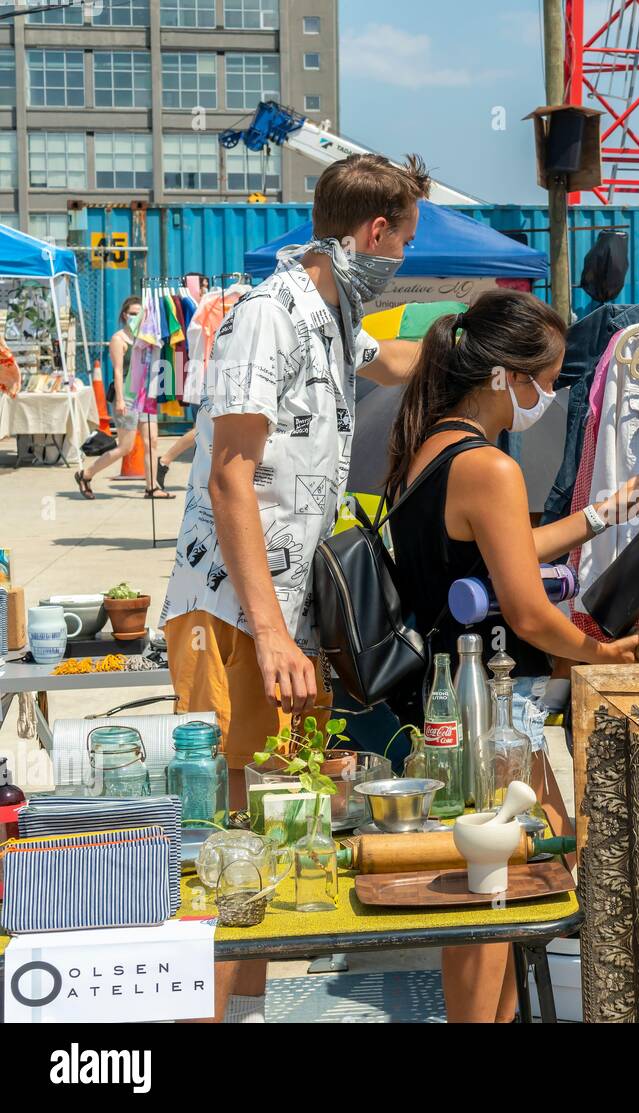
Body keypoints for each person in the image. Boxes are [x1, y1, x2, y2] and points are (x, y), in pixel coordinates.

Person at [161, 152, 431, 1021]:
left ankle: (244, 1013)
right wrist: (275, 635)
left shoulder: (329, 314)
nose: (402, 265)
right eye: (403, 245)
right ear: (373, 233)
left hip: (286, 614)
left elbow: (390, 363)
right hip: (236, 615)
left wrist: (479, 336)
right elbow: (229, 479)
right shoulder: (267, 317)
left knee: (270, 837)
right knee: (226, 845)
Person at [386, 289, 639, 1023]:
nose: (549, 394)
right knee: (511, 878)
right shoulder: (489, 466)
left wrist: (605, 512)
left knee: (488, 883)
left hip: (444, 703)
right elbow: (526, 608)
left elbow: (503, 550)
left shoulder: (434, 447)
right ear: (502, 376)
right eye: (544, 378)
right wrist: (606, 654)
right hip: (487, 709)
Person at [74, 296, 171, 499]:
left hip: (146, 394)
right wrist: (119, 400)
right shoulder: (119, 339)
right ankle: (86, 474)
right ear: (125, 315)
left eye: (139, 314)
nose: (136, 317)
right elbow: (118, 371)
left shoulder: (146, 337)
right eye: (132, 314)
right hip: (127, 395)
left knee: (152, 441)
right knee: (125, 446)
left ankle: (152, 487)